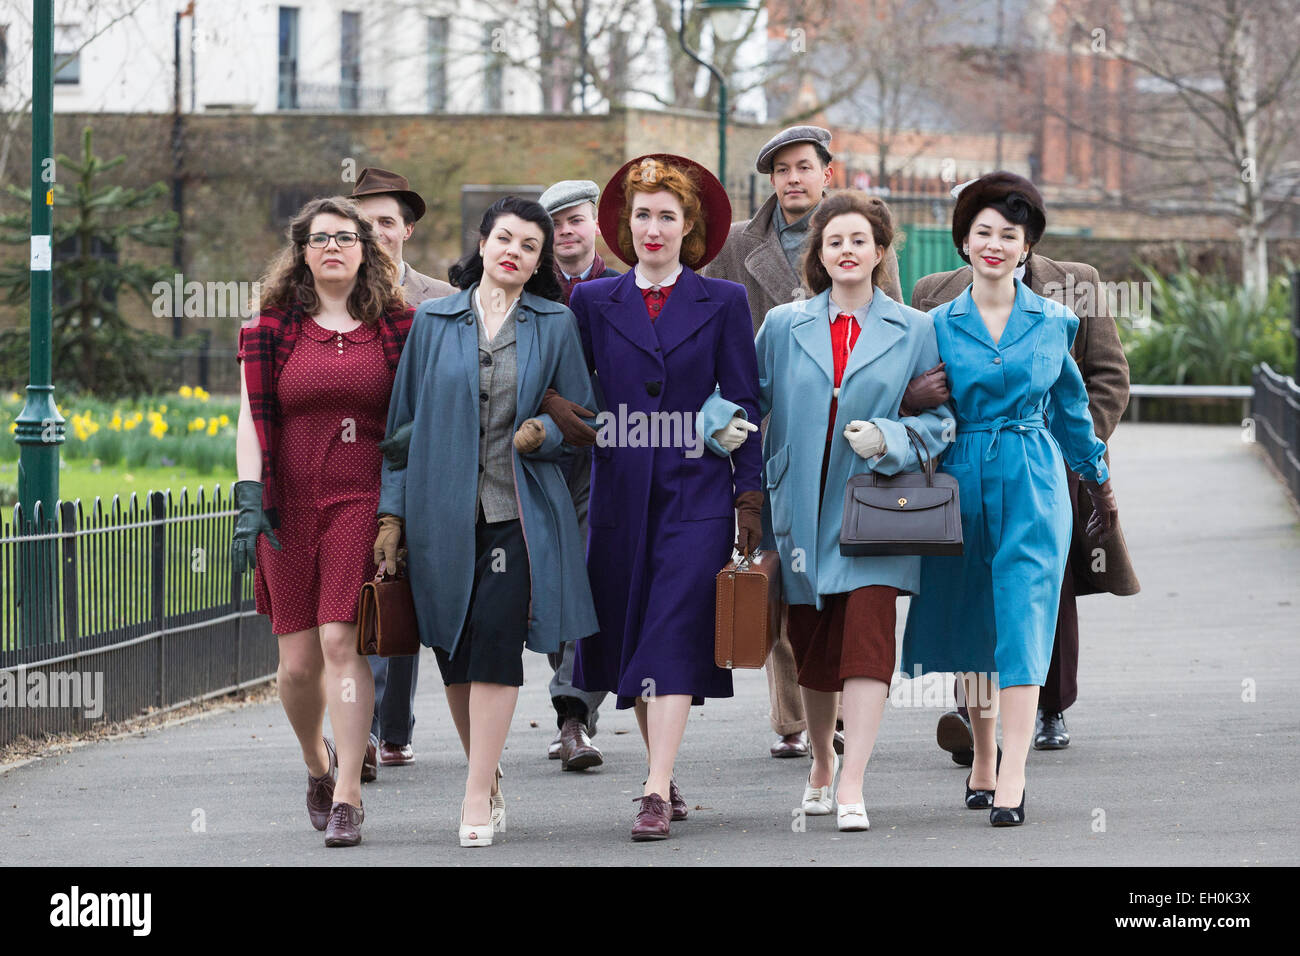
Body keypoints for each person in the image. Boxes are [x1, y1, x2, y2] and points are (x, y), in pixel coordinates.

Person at [703, 191, 951, 830]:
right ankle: (820, 762)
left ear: (878, 252)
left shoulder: (915, 329)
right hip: (801, 515)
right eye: (834, 240)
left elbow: (943, 421)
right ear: (819, 252)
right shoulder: (785, 325)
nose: (847, 251)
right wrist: (721, 426)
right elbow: (740, 392)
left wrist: (891, 439)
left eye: (859, 241)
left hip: (877, 508)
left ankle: (854, 783)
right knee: (812, 651)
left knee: (869, 644)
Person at [374, 196, 599, 848]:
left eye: (530, 246)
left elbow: (582, 419)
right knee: (452, 649)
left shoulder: (554, 323)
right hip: (440, 513)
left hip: (516, 513)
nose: (515, 252)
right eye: (506, 239)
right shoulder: (433, 320)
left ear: (538, 261)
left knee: (497, 643)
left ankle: (474, 793)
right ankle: (489, 771)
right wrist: (392, 516)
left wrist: (543, 433)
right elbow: (401, 431)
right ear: (484, 242)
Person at [901, 172, 1121, 827]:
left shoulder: (1056, 321)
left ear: (1026, 246)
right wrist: (911, 401)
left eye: (1009, 234)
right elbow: (906, 398)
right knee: (973, 625)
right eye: (983, 232)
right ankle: (984, 758)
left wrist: (1099, 482)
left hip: (1033, 476)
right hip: (959, 475)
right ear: (964, 241)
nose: (994, 244)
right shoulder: (935, 324)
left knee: (1025, 624)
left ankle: (1014, 777)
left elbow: (1073, 411)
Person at [568, 154, 764, 841]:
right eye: (643, 215)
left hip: (696, 491)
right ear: (626, 225)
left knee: (673, 630)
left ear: (690, 228)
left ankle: (652, 790)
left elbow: (744, 401)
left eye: (667, 217)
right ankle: (664, 767)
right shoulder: (591, 302)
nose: (653, 228)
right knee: (635, 636)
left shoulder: (725, 302)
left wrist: (749, 499)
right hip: (618, 494)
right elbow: (573, 386)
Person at [702, 125, 909, 759]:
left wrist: (891, 422)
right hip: (777, 422)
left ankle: (839, 715)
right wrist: (722, 418)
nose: (792, 179)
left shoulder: (862, 233)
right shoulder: (739, 246)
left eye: (802, 167)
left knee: (846, 585)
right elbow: (718, 337)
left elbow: (893, 321)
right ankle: (796, 722)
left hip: (855, 434)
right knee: (787, 579)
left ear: (825, 171)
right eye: (780, 170)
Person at [232, 195, 413, 848]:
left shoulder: (398, 327)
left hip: (360, 503)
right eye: (318, 238)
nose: (332, 246)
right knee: (298, 663)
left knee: (343, 643)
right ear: (301, 252)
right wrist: (249, 497)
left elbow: (412, 414)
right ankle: (318, 763)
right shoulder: (270, 329)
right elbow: (250, 421)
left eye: (345, 236)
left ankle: (348, 797)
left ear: (366, 249)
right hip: (287, 504)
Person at [349, 167, 455, 778]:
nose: (374, 233)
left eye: (386, 222)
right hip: (356, 463)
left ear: (407, 230)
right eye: (362, 223)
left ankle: (394, 726)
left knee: (403, 592)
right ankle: (357, 730)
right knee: (360, 595)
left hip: (424, 467)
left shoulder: (439, 300)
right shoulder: (332, 293)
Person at [536, 179, 621, 771]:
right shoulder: (526, 288)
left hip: (603, 452)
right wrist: (545, 397)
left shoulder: (620, 286)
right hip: (535, 454)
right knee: (549, 579)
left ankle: (572, 716)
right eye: (556, 224)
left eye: (576, 221)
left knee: (589, 570)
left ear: (595, 225)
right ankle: (572, 709)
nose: (567, 232)